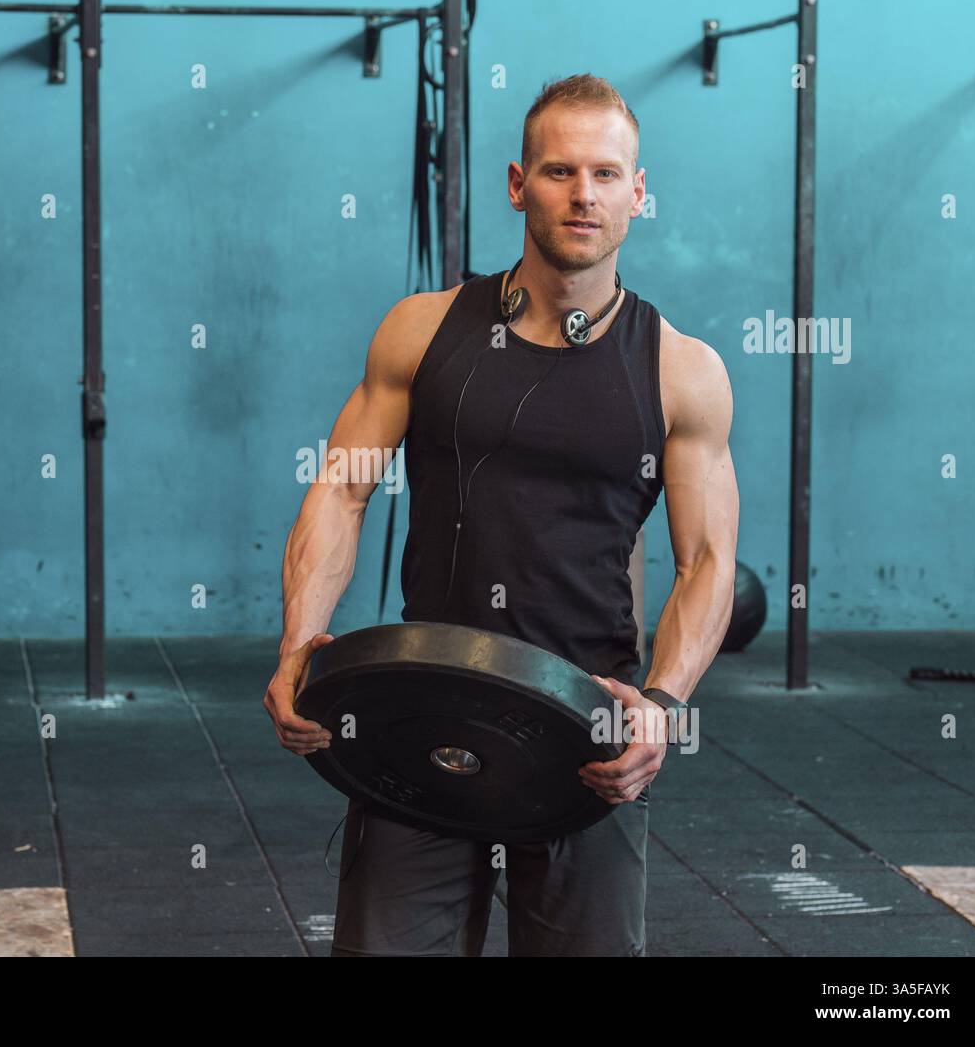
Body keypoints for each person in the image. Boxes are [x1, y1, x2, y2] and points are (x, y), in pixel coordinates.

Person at [263, 74, 739, 956]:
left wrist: (663, 704)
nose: (584, 194)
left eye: (606, 174)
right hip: (422, 707)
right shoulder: (421, 331)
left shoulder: (683, 372)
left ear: (640, 192)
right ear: (518, 184)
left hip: (588, 727)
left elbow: (709, 558)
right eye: (560, 171)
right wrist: (301, 640)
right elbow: (343, 486)